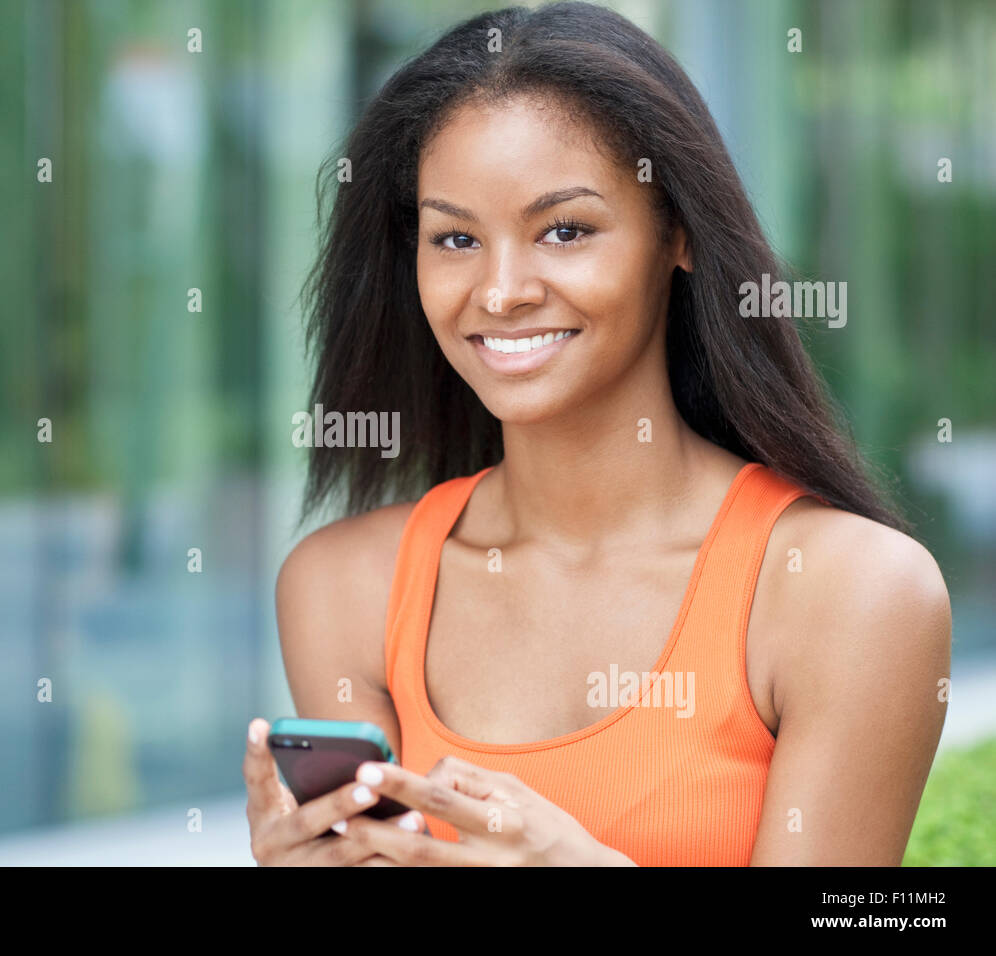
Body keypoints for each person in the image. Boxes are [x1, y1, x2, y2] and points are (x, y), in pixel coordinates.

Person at [244, 1, 951, 866]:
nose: (500, 291)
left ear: (678, 234)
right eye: (456, 237)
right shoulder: (343, 586)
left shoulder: (851, 592)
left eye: (565, 231)